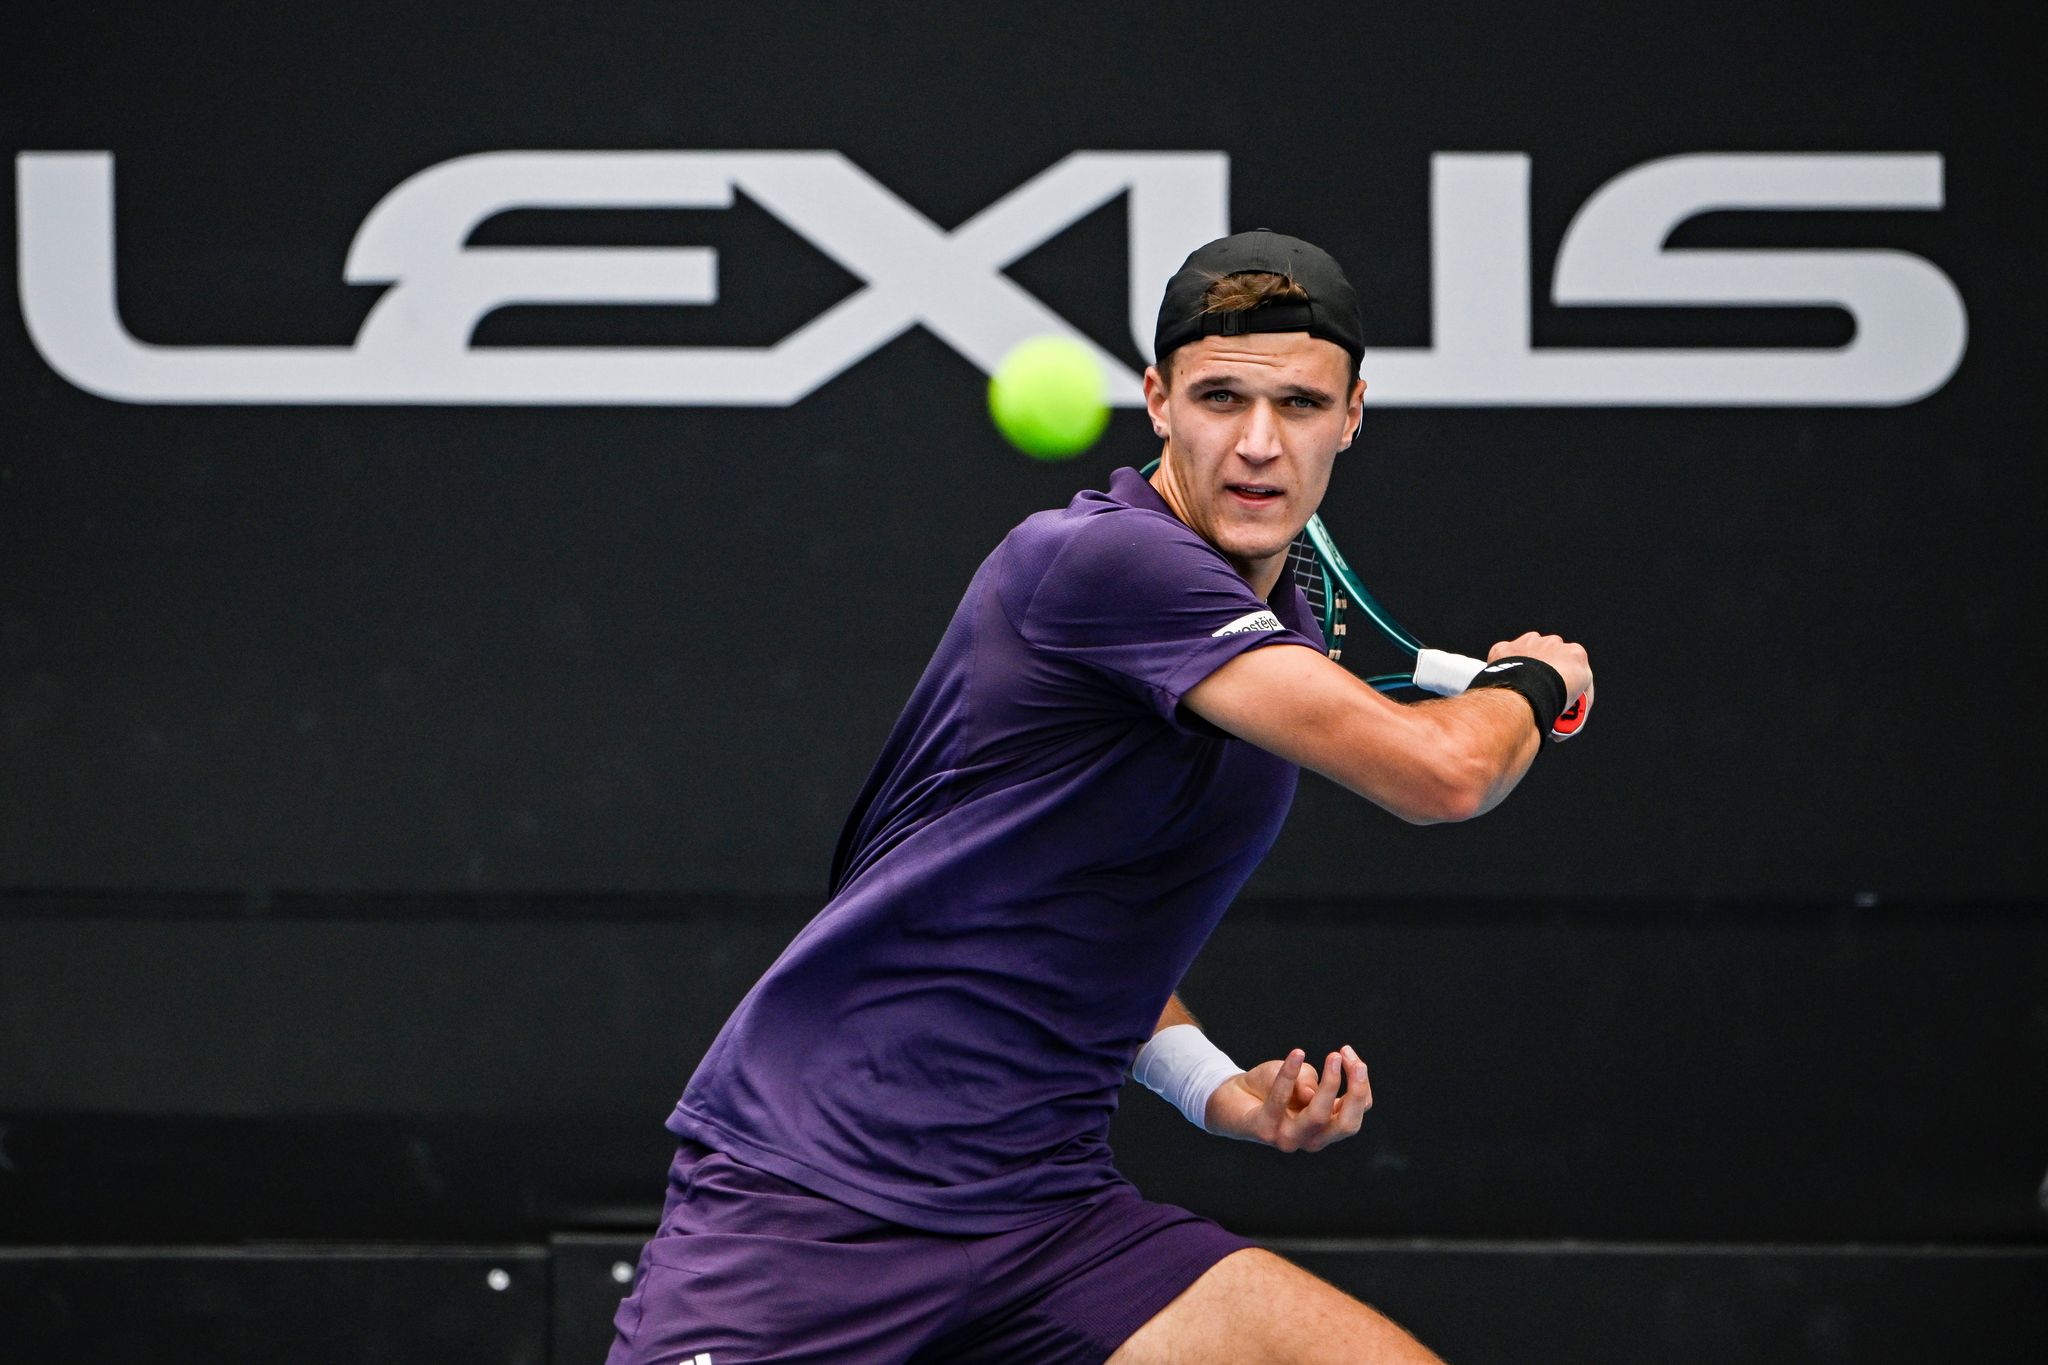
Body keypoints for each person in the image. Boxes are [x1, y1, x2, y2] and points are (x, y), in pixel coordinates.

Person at [607, 230, 1593, 1365]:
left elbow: (1070, 924)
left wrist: (1218, 1090)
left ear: (1352, 414)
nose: (1259, 445)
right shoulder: (1100, 562)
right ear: (1157, 401)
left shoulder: (1289, 629)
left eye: (1299, 404)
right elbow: (1444, 774)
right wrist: (1532, 677)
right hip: (821, 1193)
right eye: (1220, 397)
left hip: (1046, 1217)